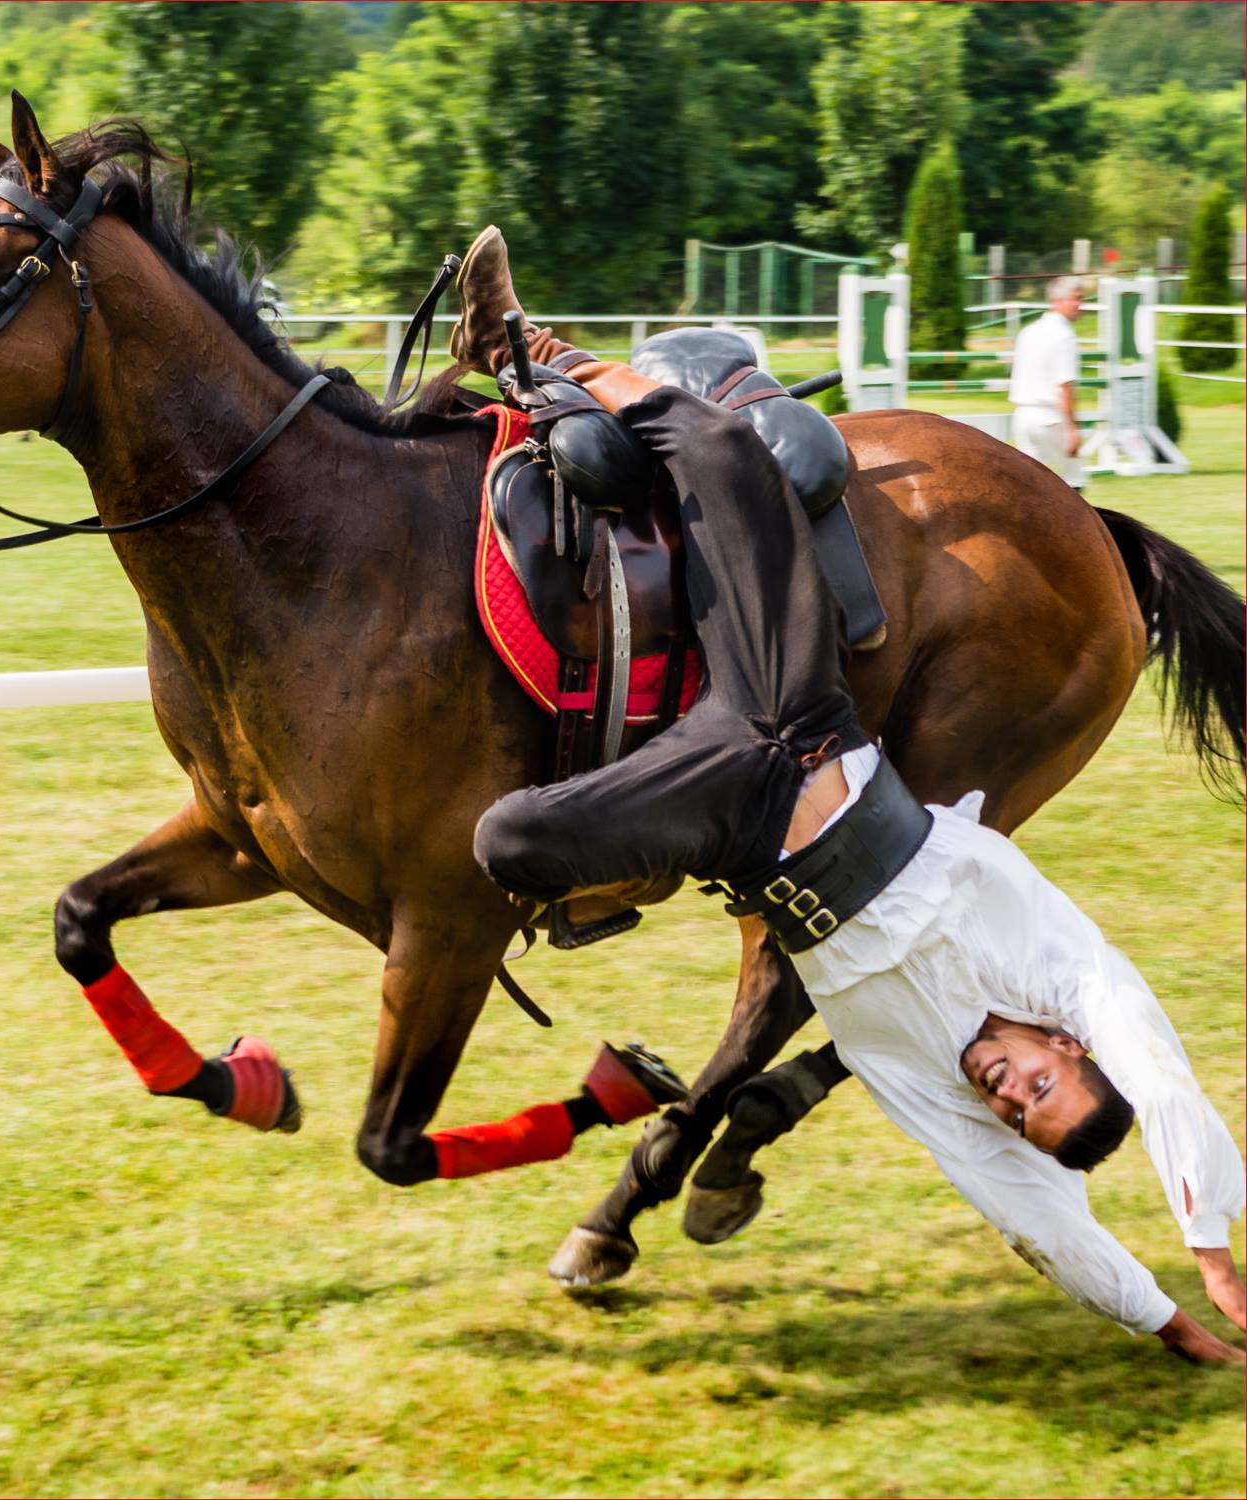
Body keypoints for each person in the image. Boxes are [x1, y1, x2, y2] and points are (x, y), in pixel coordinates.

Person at [449, 227, 1245, 1364]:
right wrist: (1207, 1241)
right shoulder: (1057, 972)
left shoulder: (923, 1077)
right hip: (802, 724)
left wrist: (1168, 1323)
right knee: (725, 456)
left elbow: (1048, 1225)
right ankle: (526, 345)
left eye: (1015, 1109)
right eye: (1037, 1082)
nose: (1008, 1088)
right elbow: (1155, 1060)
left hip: (735, 815)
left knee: (508, 835)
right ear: (1067, 1047)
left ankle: (610, 879)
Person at [1008, 274, 1086, 488]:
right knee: (1074, 480)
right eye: (1075, 298)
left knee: (1029, 485)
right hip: (1050, 419)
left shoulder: (1028, 331)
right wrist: (1072, 428)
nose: (1080, 304)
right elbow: (1065, 384)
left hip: (1023, 417)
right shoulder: (1063, 335)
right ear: (1056, 301)